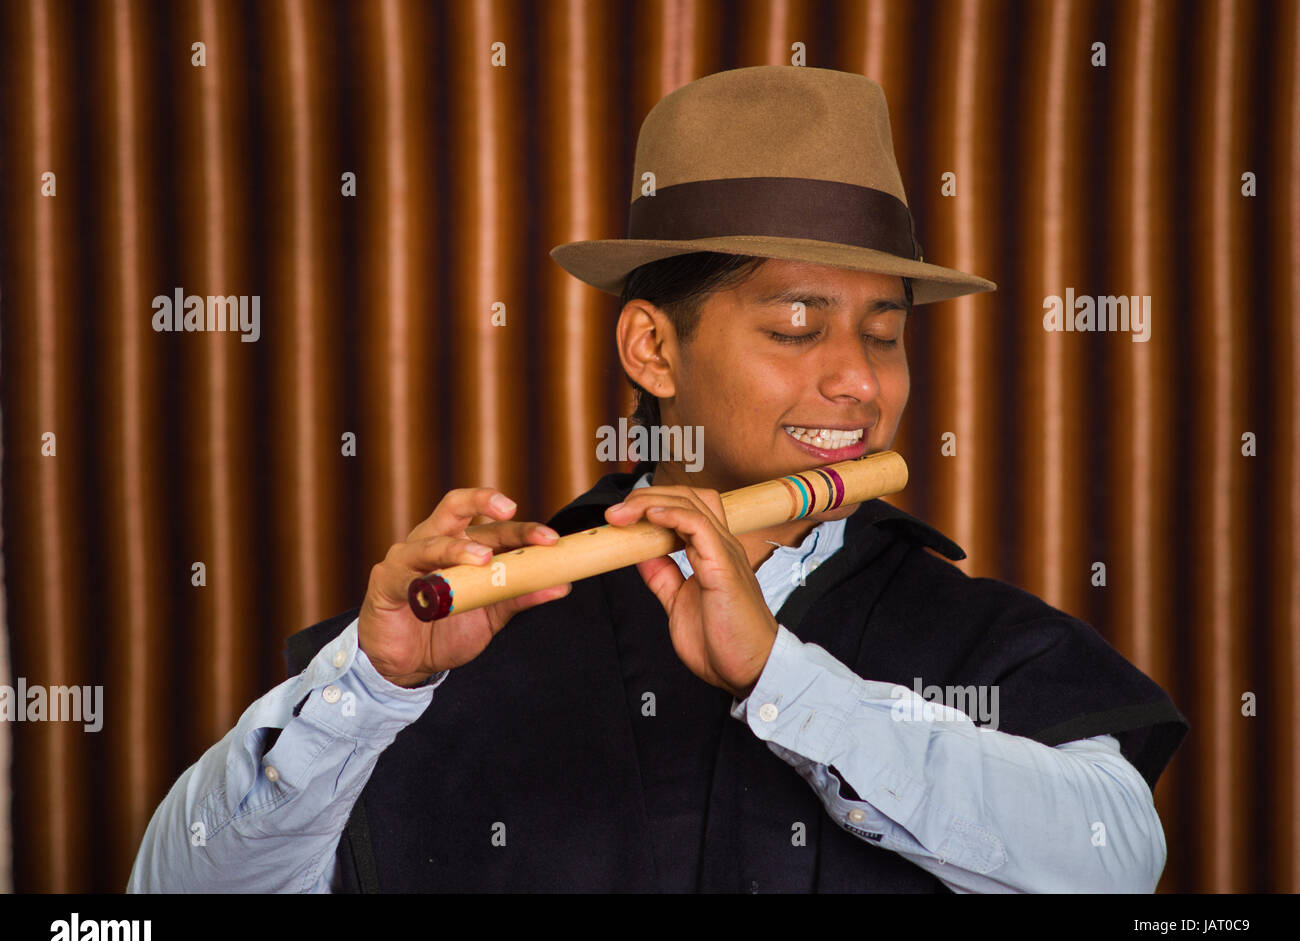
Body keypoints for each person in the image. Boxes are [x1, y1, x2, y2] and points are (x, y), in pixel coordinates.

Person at [128, 65, 1187, 893]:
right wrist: (369, 688)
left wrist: (783, 680)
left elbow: (1114, 857)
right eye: (796, 325)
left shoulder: (985, 639)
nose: (860, 382)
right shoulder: (467, 627)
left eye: (884, 334)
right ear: (652, 348)